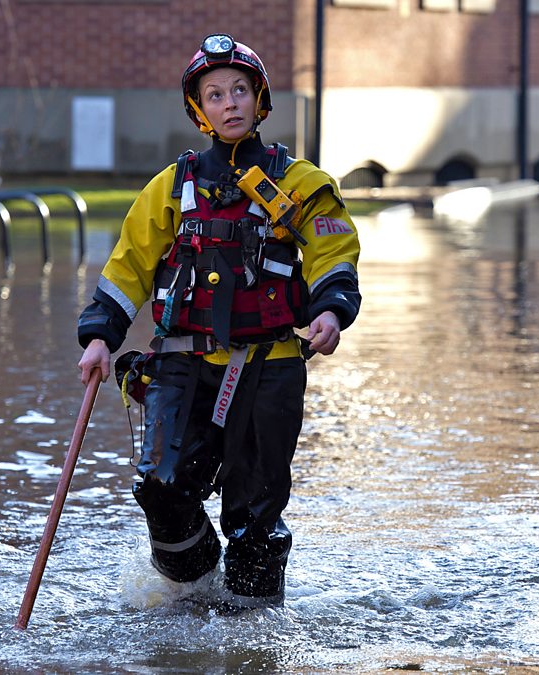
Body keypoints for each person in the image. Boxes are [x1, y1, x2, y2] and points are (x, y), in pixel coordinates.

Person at [76, 34, 361, 610]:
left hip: (270, 367)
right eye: (214, 94)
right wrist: (100, 338)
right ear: (198, 110)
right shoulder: (171, 187)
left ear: (259, 99)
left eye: (239, 90)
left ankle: (248, 631)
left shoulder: (300, 182)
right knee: (160, 485)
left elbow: (333, 251)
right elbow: (128, 265)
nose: (229, 102)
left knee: (256, 514)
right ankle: (196, 585)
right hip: (182, 360)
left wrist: (331, 309)